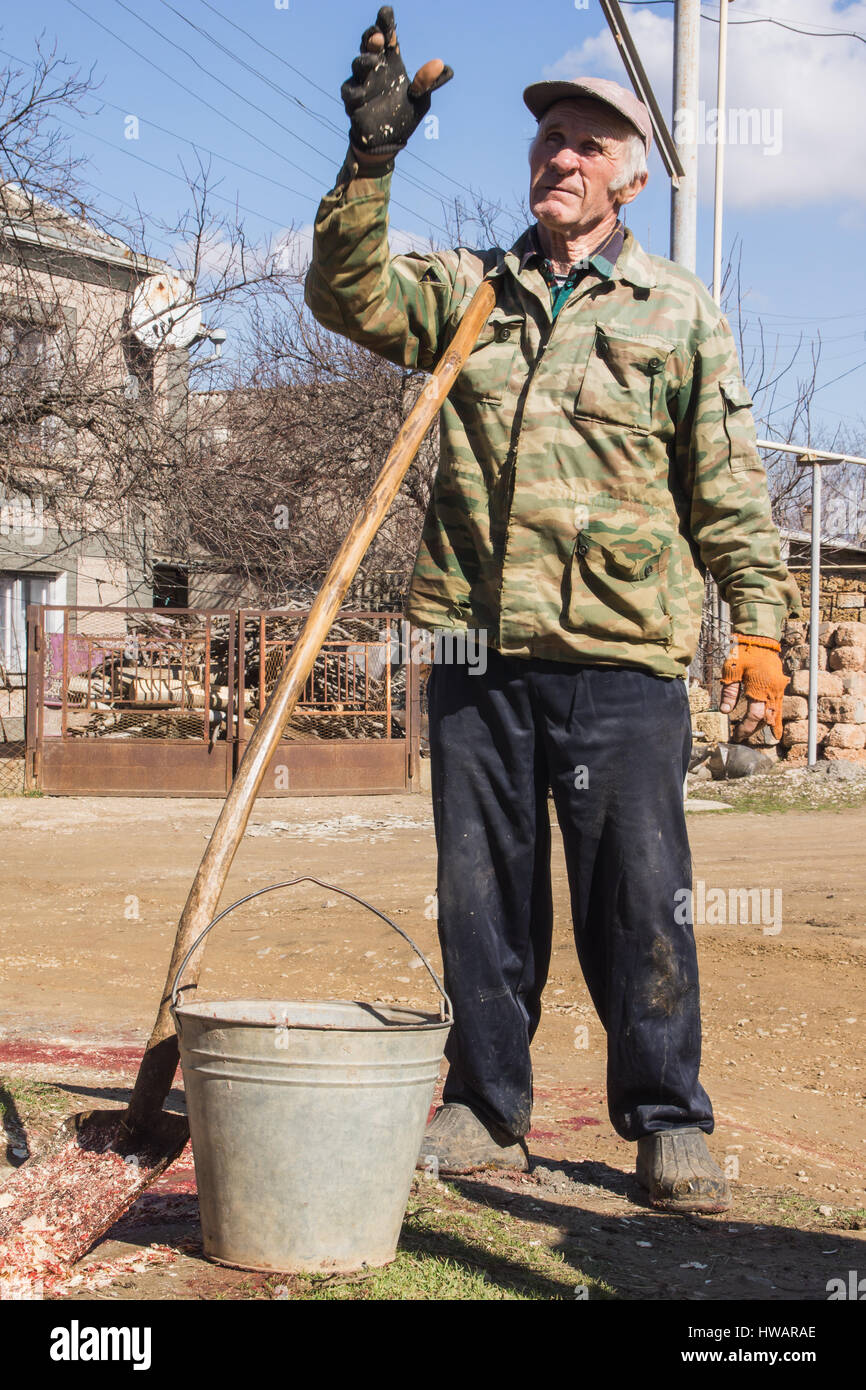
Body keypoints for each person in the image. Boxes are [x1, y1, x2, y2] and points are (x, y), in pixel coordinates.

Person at [304, 8, 800, 1212]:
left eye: (583, 143)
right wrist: (369, 160)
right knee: (479, 893)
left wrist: (757, 627)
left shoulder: (674, 310)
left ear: (627, 173)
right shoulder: (473, 294)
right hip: (475, 650)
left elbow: (727, 483)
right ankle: (483, 1103)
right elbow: (345, 294)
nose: (558, 159)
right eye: (544, 145)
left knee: (637, 895)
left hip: (619, 659)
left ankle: (667, 1119)